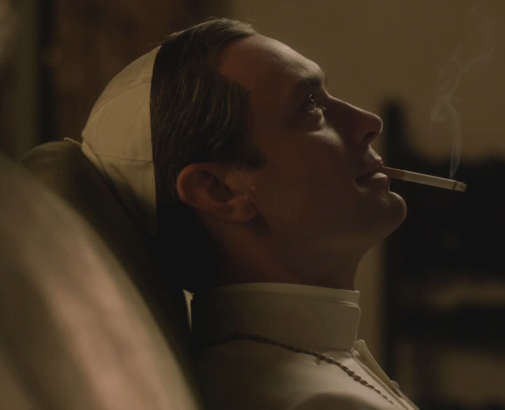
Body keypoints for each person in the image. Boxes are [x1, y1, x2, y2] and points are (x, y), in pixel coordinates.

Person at [80, 17, 415, 410]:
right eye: (310, 105)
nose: (368, 123)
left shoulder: (295, 365)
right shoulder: (314, 402)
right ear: (220, 191)